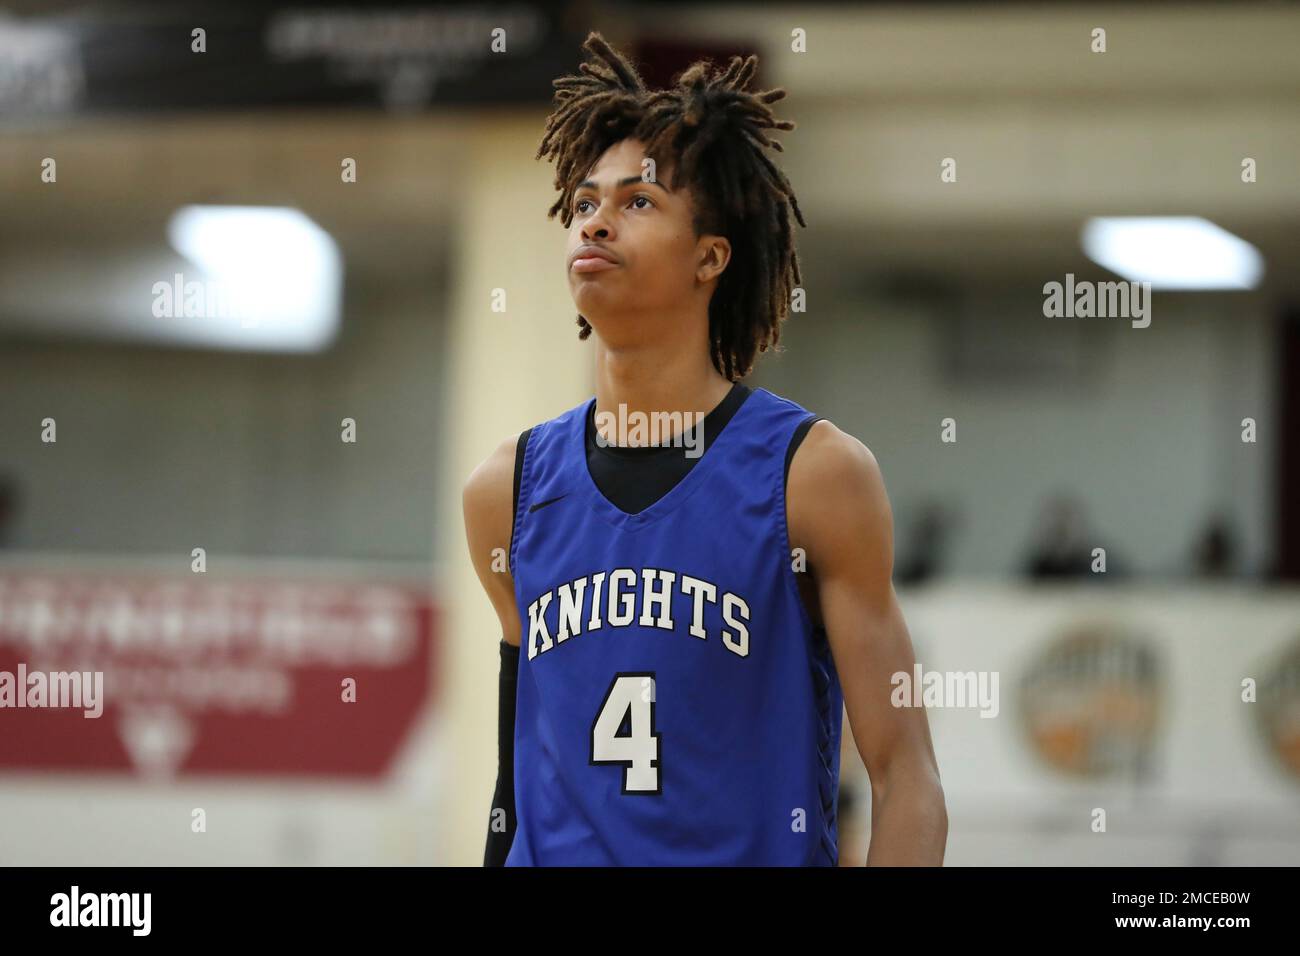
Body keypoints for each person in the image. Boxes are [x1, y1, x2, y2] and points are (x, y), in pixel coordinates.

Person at [463, 32, 946, 866]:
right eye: (583, 203)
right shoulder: (505, 490)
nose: (598, 220)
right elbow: (513, 792)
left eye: (637, 202)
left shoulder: (813, 475)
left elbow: (907, 778)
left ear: (711, 258)